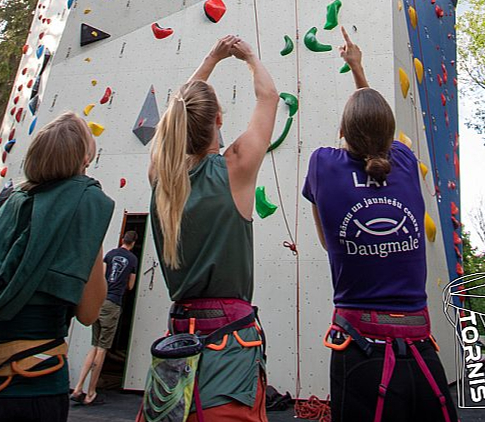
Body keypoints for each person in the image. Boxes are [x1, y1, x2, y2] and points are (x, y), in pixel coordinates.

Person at [302, 27, 458, 422]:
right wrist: (359, 68)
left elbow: (326, 242)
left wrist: (355, 68)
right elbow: (377, 128)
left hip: (359, 348)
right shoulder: (404, 161)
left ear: (342, 134)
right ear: (389, 136)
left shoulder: (322, 164)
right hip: (419, 346)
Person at [140, 35, 279, 422]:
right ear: (219, 119)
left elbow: (177, 110)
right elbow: (269, 97)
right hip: (231, 341)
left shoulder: (161, 175)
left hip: (180, 334)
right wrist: (249, 56)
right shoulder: (234, 167)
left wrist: (210, 59)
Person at [0, 111, 114, 422]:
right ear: (83, 159)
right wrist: (91, 234)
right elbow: (88, 313)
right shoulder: (85, 205)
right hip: (37, 383)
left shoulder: (8, 204)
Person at [71, 229, 139, 406]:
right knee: (102, 349)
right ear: (133, 243)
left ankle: (79, 387)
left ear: (123, 239)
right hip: (114, 303)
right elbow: (131, 286)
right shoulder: (132, 260)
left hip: (101, 301)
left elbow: (101, 277)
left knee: (93, 345)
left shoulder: (110, 254)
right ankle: (91, 392)